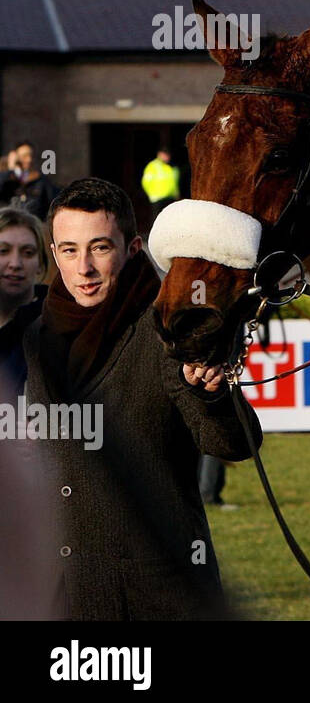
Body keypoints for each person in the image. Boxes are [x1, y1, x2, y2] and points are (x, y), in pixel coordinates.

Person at [23, 178, 262, 619]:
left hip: (159, 596)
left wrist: (210, 392)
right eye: (70, 250)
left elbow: (234, 444)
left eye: (99, 248)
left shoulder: (167, 331)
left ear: (133, 248)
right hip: (65, 594)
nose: (84, 269)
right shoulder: (38, 337)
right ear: (54, 255)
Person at [0, 207, 49, 402]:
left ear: (40, 265)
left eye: (27, 253)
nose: (15, 263)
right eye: (3, 251)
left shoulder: (56, 327)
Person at [2, 142, 61, 221]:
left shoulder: (40, 180)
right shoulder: (6, 178)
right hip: (9, 225)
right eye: (24, 156)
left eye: (31, 156)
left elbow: (54, 200)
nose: (29, 160)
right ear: (15, 156)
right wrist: (11, 170)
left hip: (33, 225)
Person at [141, 147, 181, 221]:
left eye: (168, 155)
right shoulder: (152, 166)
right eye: (165, 155)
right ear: (159, 154)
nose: (167, 157)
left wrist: (176, 193)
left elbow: (173, 183)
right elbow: (145, 182)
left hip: (169, 198)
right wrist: (151, 194)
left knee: (169, 219)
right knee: (157, 219)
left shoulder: (170, 167)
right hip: (157, 198)